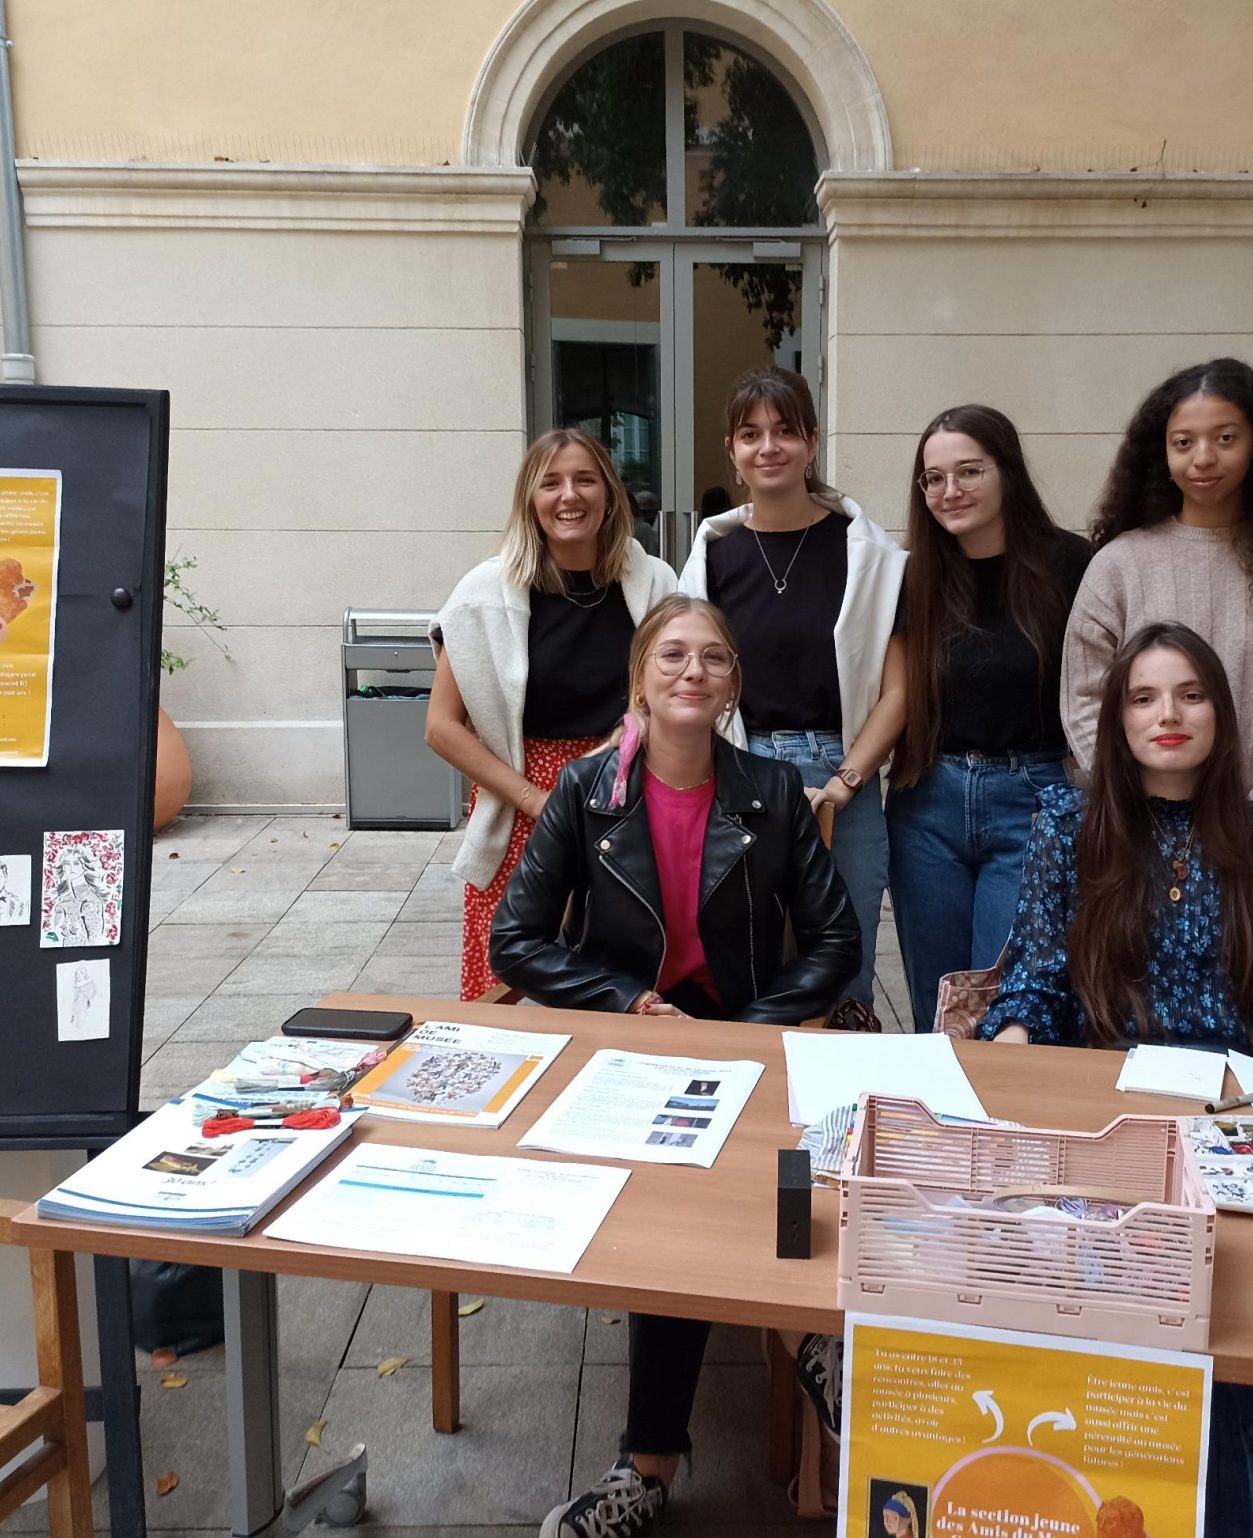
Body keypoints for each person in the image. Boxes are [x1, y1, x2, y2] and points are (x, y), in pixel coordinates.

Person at [980, 621, 1253, 1538]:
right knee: (1205, 1337)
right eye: (1143, 697)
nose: (1168, 714)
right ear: (1117, 720)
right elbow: (1038, 980)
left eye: (1190, 694)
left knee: (1205, 1328)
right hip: (1110, 1116)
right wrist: (1004, 1053)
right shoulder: (1071, 823)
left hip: (1243, 1115)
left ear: (1221, 712)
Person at [490, 595, 858, 1538]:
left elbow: (835, 942)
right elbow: (516, 940)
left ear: (734, 686)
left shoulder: (774, 790)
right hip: (636, 1042)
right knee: (675, 1193)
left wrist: (753, 1024)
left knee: (779, 1161)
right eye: (673, 656)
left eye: (715, 659)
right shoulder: (585, 790)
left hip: (746, 1034)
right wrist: (627, 1004)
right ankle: (655, 1462)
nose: (693, 672)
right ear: (639, 679)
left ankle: (813, 1343)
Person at [677, 367, 906, 1014]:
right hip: (743, 775)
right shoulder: (713, 560)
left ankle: (847, 1105)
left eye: (784, 431)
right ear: (732, 450)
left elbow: (899, 690)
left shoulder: (868, 556)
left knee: (845, 962)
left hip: (846, 774)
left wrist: (844, 782)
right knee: (747, 959)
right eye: (751, 434)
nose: (768, 447)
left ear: (811, 441)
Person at [427, 429, 677, 999]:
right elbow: (441, 727)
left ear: (610, 495)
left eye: (586, 479)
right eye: (552, 483)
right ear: (530, 501)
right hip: (522, 801)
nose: (570, 495)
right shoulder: (484, 593)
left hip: (629, 795)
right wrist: (537, 800)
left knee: (627, 979)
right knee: (512, 984)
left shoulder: (653, 582)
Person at [1062, 357, 1253, 806]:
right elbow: (1083, 696)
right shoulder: (1119, 565)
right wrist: (1141, 805)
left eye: (1225, 438)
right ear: (1162, 453)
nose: (1203, 458)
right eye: (1183, 442)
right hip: (1141, 828)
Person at [886, 404, 1090, 1032]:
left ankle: (1002, 1127)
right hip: (929, 802)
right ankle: (935, 1125)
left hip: (1032, 800)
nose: (950, 492)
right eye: (934, 478)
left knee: (1010, 1002)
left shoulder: (1071, 566)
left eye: (969, 471)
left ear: (1008, 471)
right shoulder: (916, 575)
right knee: (938, 1002)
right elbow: (897, 691)